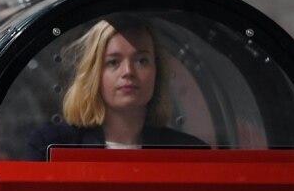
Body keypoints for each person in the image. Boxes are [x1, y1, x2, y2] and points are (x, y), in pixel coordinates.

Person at [27, 15, 206, 159]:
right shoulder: (50, 146)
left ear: (156, 73)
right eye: (113, 62)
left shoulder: (190, 152)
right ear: (94, 74)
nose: (128, 72)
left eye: (141, 61)